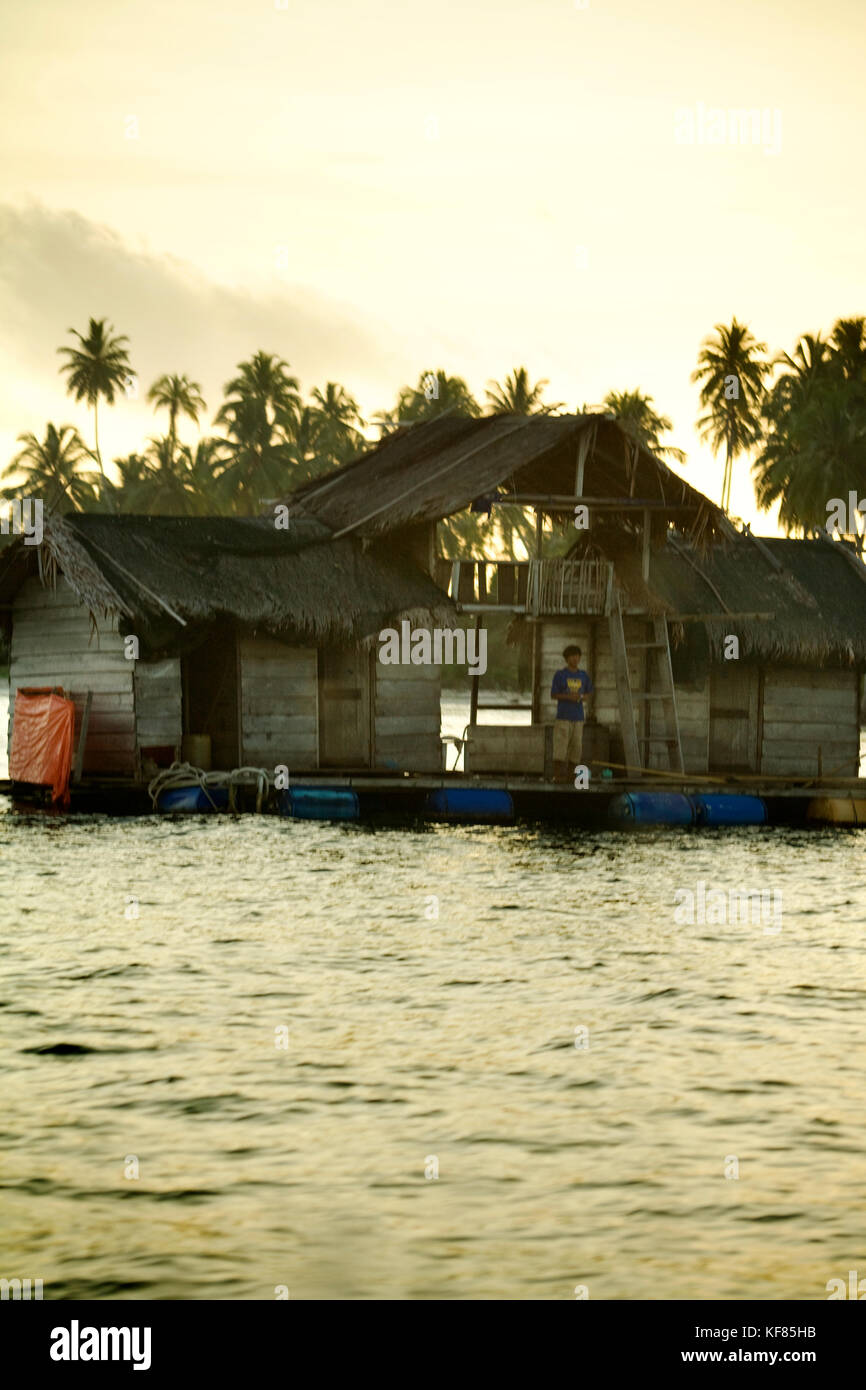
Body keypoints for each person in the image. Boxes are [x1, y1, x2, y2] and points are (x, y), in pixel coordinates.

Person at [550, 645, 593, 783]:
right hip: (563, 717)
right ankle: (558, 776)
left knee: (576, 747)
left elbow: (589, 693)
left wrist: (582, 697)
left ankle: (571, 777)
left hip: (578, 717)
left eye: (577, 655)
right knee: (560, 746)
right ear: (566, 658)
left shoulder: (583, 675)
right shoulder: (560, 674)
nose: (575, 658)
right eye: (572, 656)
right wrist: (570, 697)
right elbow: (553, 694)